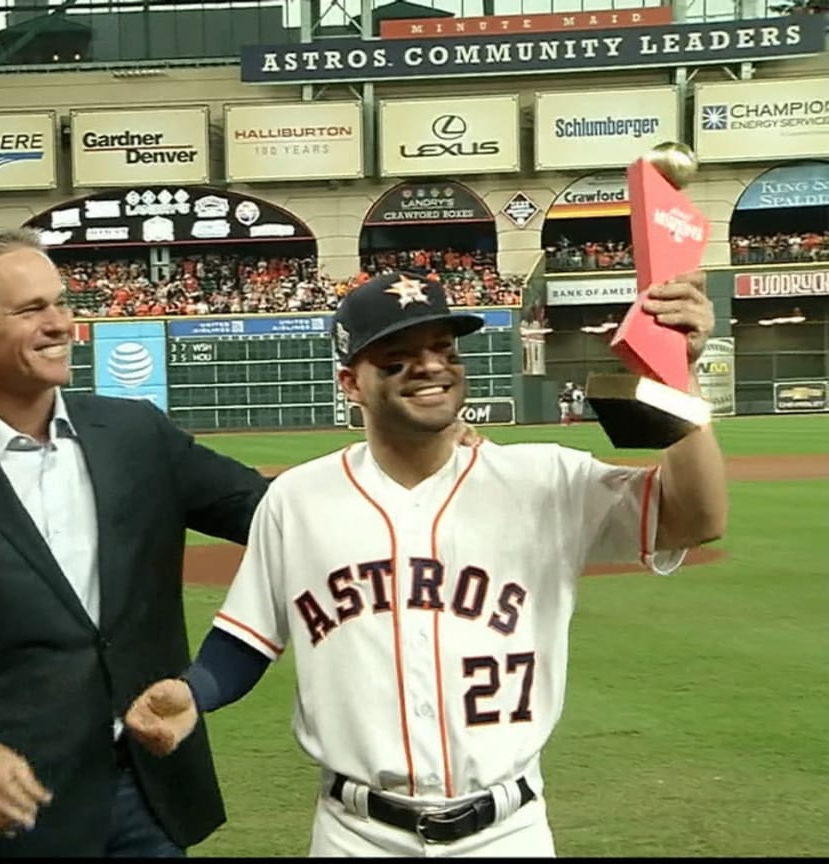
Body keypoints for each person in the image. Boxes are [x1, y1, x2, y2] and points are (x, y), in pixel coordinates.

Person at [123, 270, 728, 857]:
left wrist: (681, 375)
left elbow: (695, 519)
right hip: (355, 835)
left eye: (442, 347)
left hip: (507, 831)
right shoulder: (297, 499)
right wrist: (194, 690)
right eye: (397, 355)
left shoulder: (545, 480)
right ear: (351, 382)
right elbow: (247, 636)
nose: (431, 365)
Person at [0, 227, 273, 858]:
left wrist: (407, 450)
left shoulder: (135, 436)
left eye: (61, 303)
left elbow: (271, 514)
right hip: (17, 813)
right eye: (30, 310)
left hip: (149, 794)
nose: (59, 325)